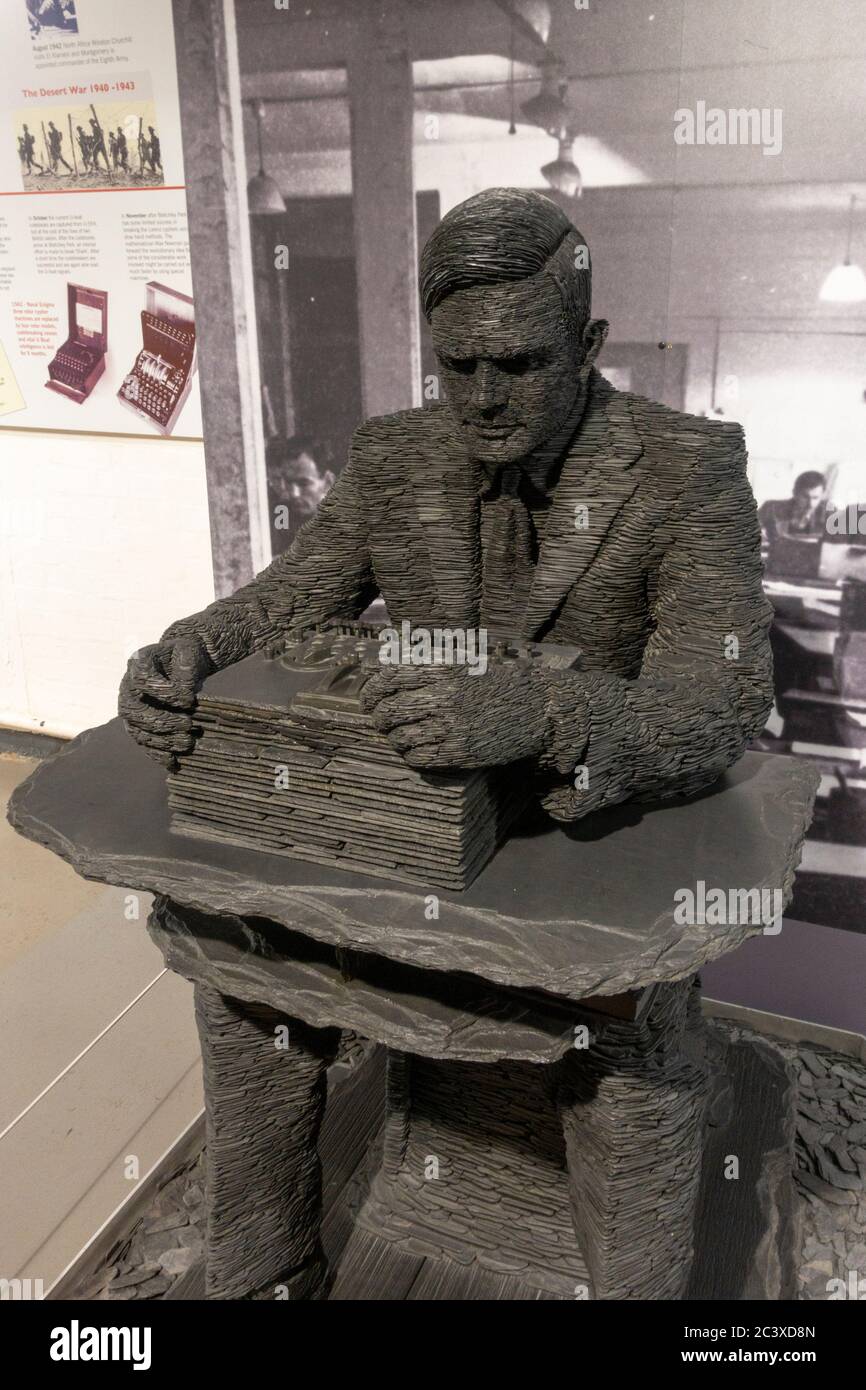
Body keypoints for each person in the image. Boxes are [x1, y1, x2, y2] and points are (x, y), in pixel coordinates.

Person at [120, 187, 773, 825]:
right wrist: (196, 647)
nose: (483, 398)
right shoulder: (392, 455)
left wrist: (547, 714)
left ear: (587, 347)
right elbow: (292, 598)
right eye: (459, 365)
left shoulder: (688, 466)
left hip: (590, 827)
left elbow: (719, 698)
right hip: (413, 812)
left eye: (520, 365)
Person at [266, 436, 335, 557]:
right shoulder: (282, 512)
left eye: (303, 484)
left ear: (328, 482)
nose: (294, 493)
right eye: (288, 482)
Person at [759, 470, 828, 544]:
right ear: (795, 493)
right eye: (805, 497)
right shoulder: (771, 508)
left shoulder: (828, 513)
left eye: (815, 498)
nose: (810, 504)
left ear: (822, 495)